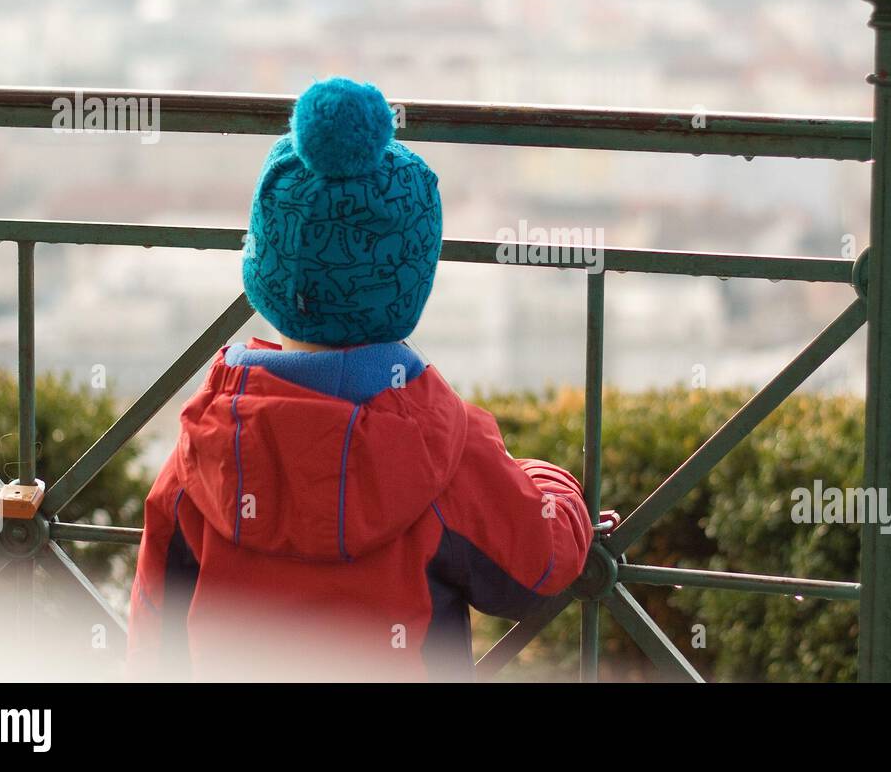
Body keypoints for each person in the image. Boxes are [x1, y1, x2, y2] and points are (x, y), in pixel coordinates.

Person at [127, 77, 593, 680]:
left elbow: (153, 634)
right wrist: (552, 483)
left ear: (266, 268)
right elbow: (539, 564)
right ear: (412, 280)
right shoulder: (444, 455)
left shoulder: (200, 455)